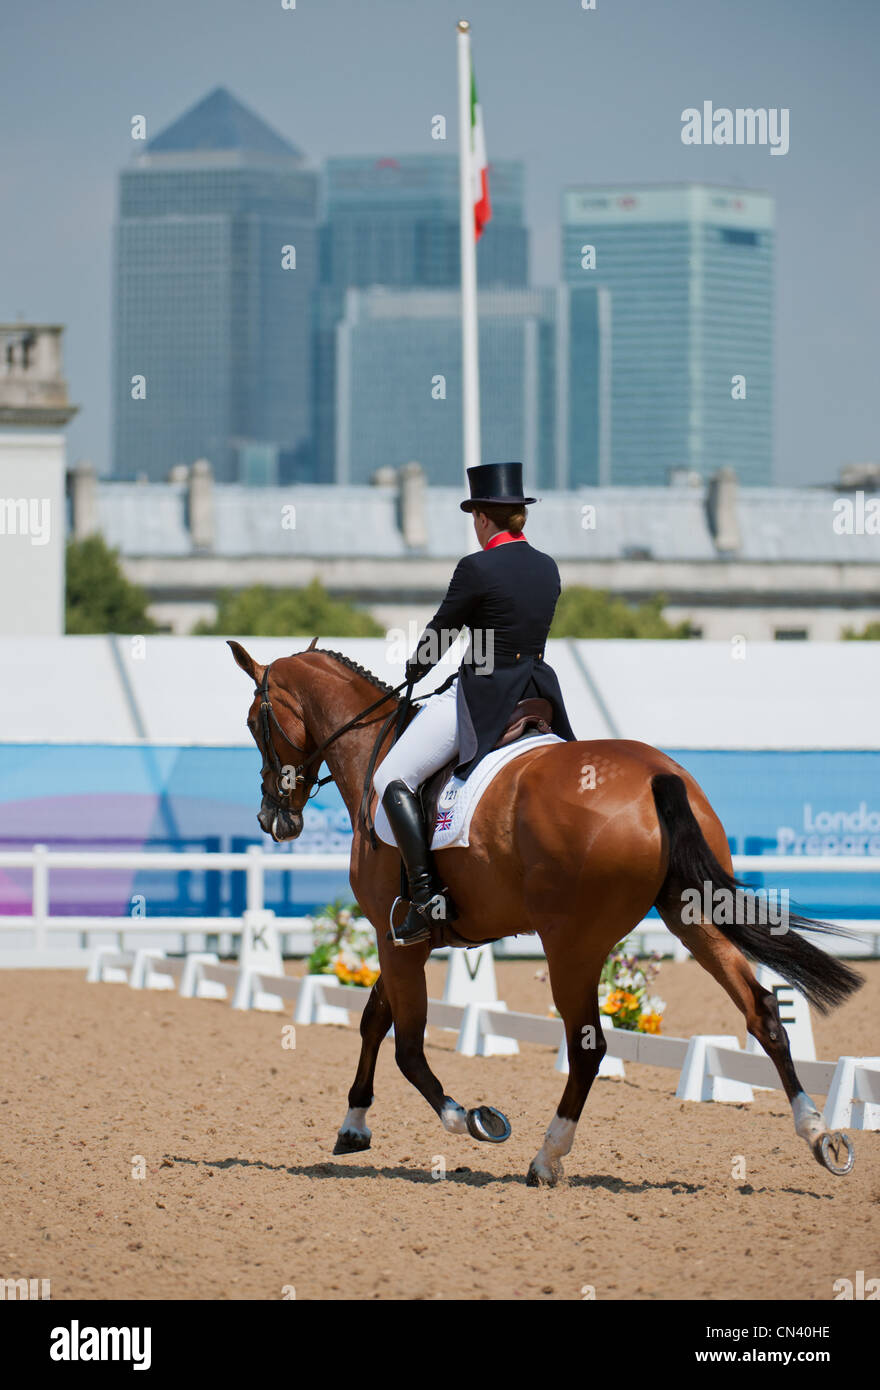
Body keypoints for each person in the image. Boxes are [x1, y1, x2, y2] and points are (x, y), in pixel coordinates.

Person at [374, 461, 576, 945]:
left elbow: (443, 630)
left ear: (483, 518)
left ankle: (424, 897)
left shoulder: (477, 567)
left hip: (486, 694)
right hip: (538, 693)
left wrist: (414, 671)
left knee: (391, 777)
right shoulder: (547, 567)